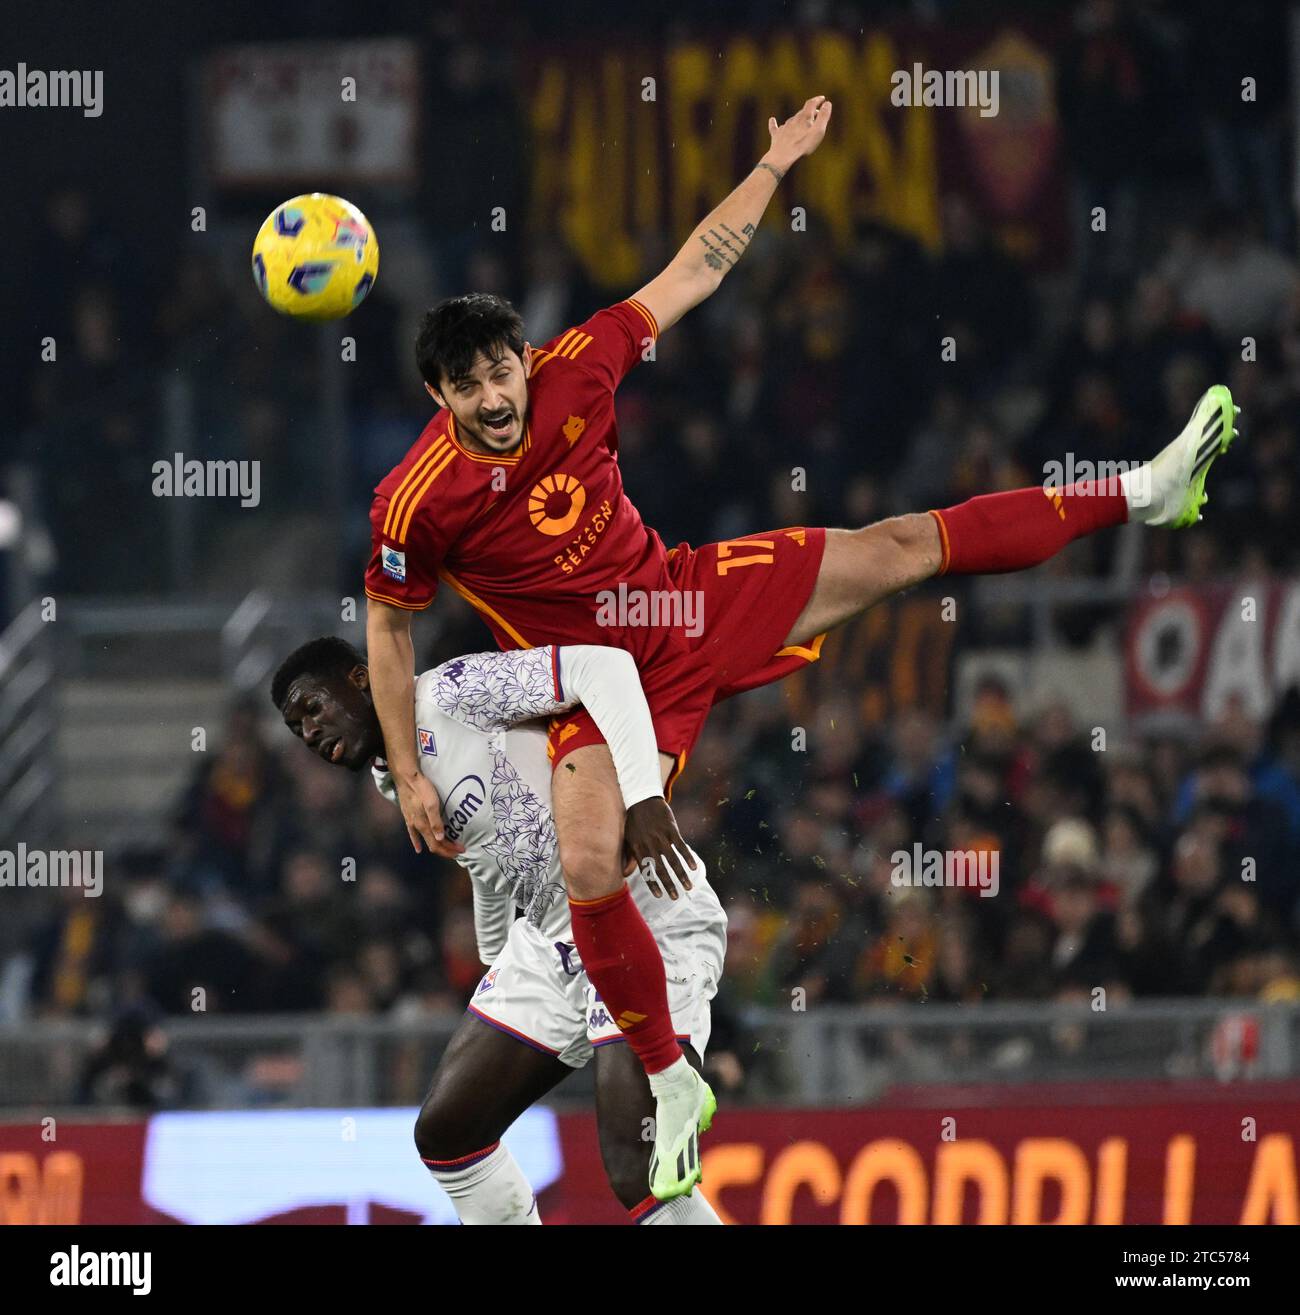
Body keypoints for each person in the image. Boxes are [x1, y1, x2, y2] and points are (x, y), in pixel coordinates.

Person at [363, 92, 1242, 1200]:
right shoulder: (415, 502)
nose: (499, 398)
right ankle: (674, 1072)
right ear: (437, 395)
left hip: (680, 602)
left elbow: (695, 267)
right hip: (587, 691)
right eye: (472, 386)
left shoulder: (575, 366)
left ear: (519, 357)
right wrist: (405, 769)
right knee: (591, 863)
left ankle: (1142, 493)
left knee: (896, 547)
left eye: (505, 372)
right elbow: (387, 630)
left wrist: (775, 163)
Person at [272, 636, 726, 1219]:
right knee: (448, 1134)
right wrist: (494, 953)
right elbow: (486, 857)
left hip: (643, 910)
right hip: (550, 942)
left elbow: (601, 666)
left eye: (312, 707)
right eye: (294, 728)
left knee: (637, 1168)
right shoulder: (395, 776)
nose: (309, 733)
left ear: (362, 680)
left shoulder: (452, 693)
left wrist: (641, 796)